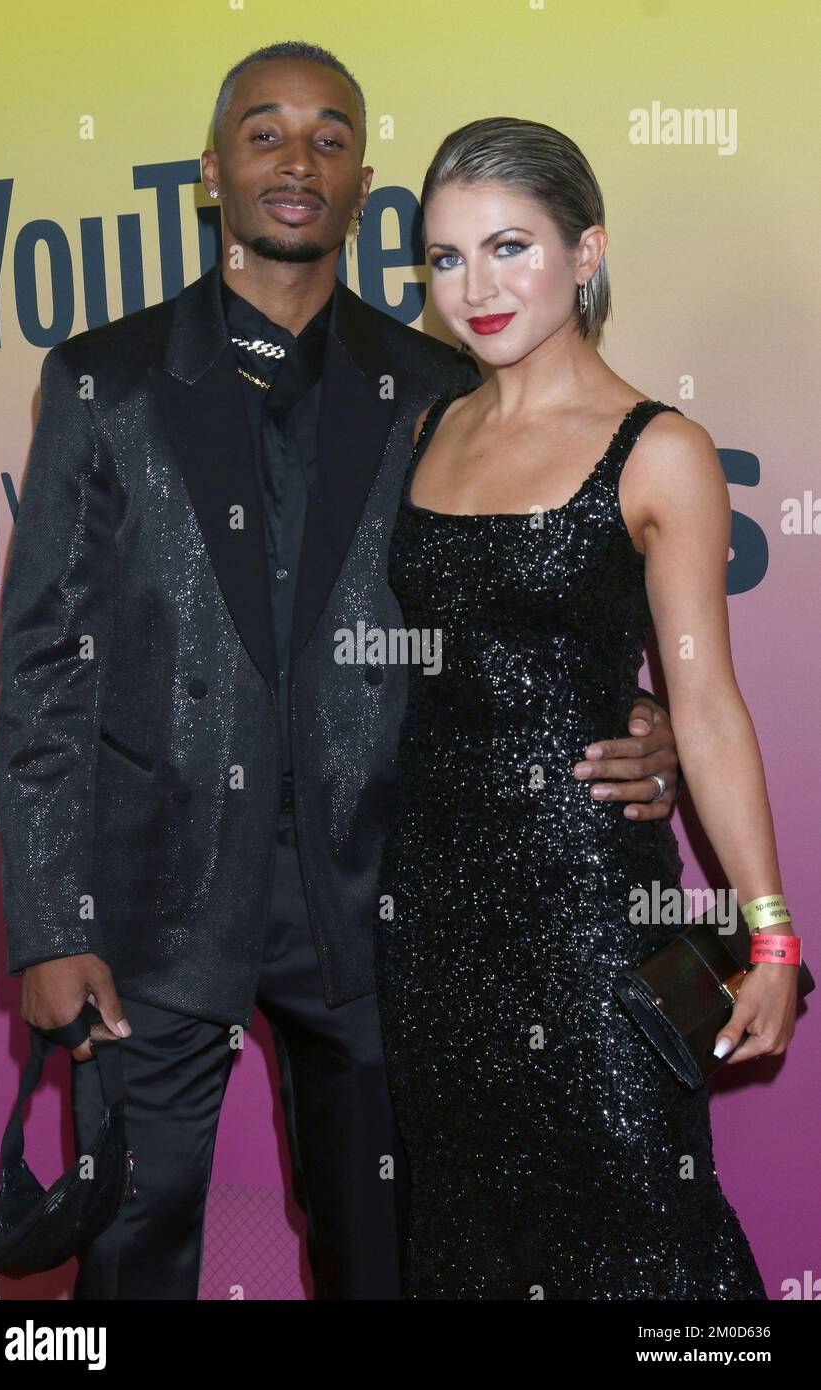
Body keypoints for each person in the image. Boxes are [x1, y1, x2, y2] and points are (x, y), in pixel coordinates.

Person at [0, 50, 680, 1301]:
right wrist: (51, 923)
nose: (296, 161)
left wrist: (641, 718)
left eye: (329, 139)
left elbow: (521, 608)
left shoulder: (438, 386)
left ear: (363, 183)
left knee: (390, 1253)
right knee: (131, 1254)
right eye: (264, 133)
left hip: (381, 903)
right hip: (152, 904)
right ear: (211, 173)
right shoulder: (104, 380)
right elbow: (44, 664)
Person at [373, 116, 798, 1300]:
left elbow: (704, 704)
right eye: (446, 257)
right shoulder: (423, 428)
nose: (476, 288)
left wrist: (766, 932)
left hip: (590, 911)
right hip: (430, 914)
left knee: (642, 1220)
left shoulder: (657, 451)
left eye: (509, 247)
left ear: (585, 252)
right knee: (464, 1233)